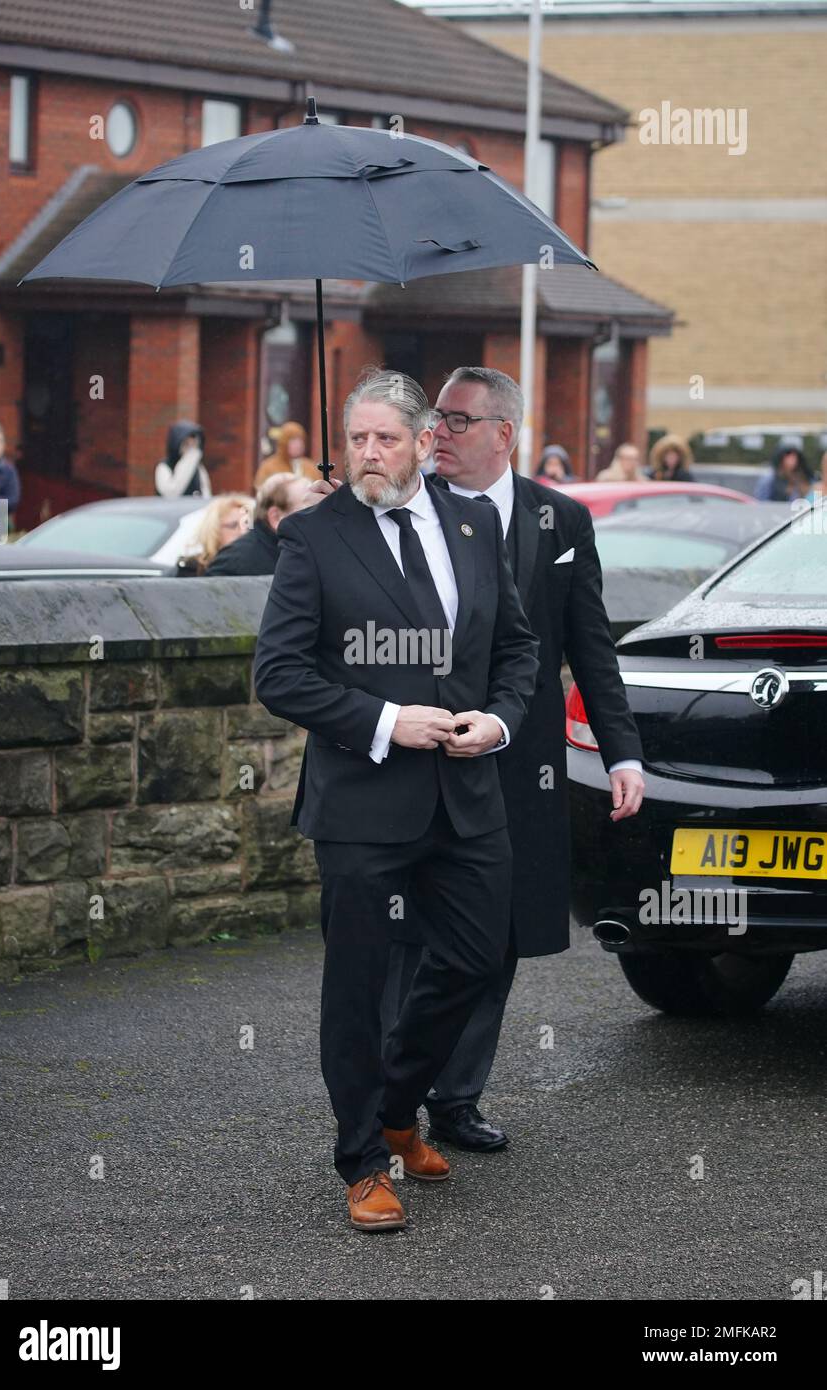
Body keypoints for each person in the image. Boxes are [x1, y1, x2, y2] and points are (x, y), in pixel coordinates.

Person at [253, 368, 539, 1232]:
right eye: (357, 439)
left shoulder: (473, 521)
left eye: (387, 438)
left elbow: (518, 647)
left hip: (468, 794)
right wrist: (385, 720)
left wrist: (497, 722)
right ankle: (363, 1163)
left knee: (479, 955)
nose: (369, 454)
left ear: (425, 443)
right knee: (359, 983)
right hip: (362, 803)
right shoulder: (313, 537)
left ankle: (398, 1104)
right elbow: (280, 674)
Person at [379, 367, 644, 1153]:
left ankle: (457, 1100)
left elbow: (591, 647)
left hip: (522, 769)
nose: (440, 434)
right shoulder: (401, 510)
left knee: (494, 938)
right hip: (424, 764)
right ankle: (392, 1096)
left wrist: (623, 751)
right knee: (413, 935)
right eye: (434, 419)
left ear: (505, 432)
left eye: (457, 421)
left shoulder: (558, 520)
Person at [206, 473, 311, 576]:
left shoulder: (302, 551)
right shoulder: (234, 563)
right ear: (276, 517)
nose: (319, 517)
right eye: (309, 509)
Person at [187, 494, 254, 574]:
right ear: (214, 530)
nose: (243, 532)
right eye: (233, 526)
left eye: (248, 525)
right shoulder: (191, 570)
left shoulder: (264, 565)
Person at [254, 421, 320, 488]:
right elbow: (262, 492)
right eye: (293, 440)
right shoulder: (268, 467)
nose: (298, 445)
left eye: (300, 440)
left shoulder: (310, 467)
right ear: (284, 443)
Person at [154, 420, 211, 498]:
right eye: (186, 444)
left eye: (194, 444)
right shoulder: (164, 466)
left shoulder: (198, 468)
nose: (191, 449)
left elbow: (206, 493)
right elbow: (170, 493)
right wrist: (189, 459)